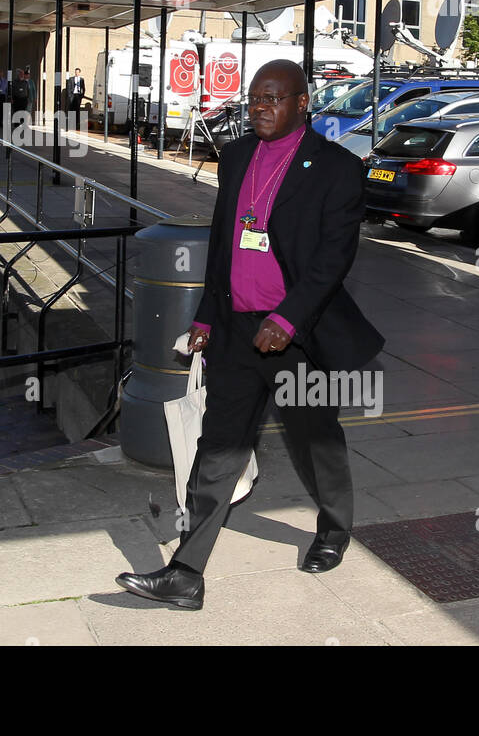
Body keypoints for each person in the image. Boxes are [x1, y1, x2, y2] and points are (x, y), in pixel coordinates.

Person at [115, 60, 384, 611]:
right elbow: (224, 247)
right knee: (218, 447)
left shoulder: (336, 168)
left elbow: (333, 260)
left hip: (298, 337)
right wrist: (206, 316)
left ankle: (334, 527)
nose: (261, 107)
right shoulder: (235, 157)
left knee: (315, 442)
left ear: (302, 102)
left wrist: (287, 320)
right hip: (237, 330)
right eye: (255, 98)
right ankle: (186, 574)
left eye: (274, 98)